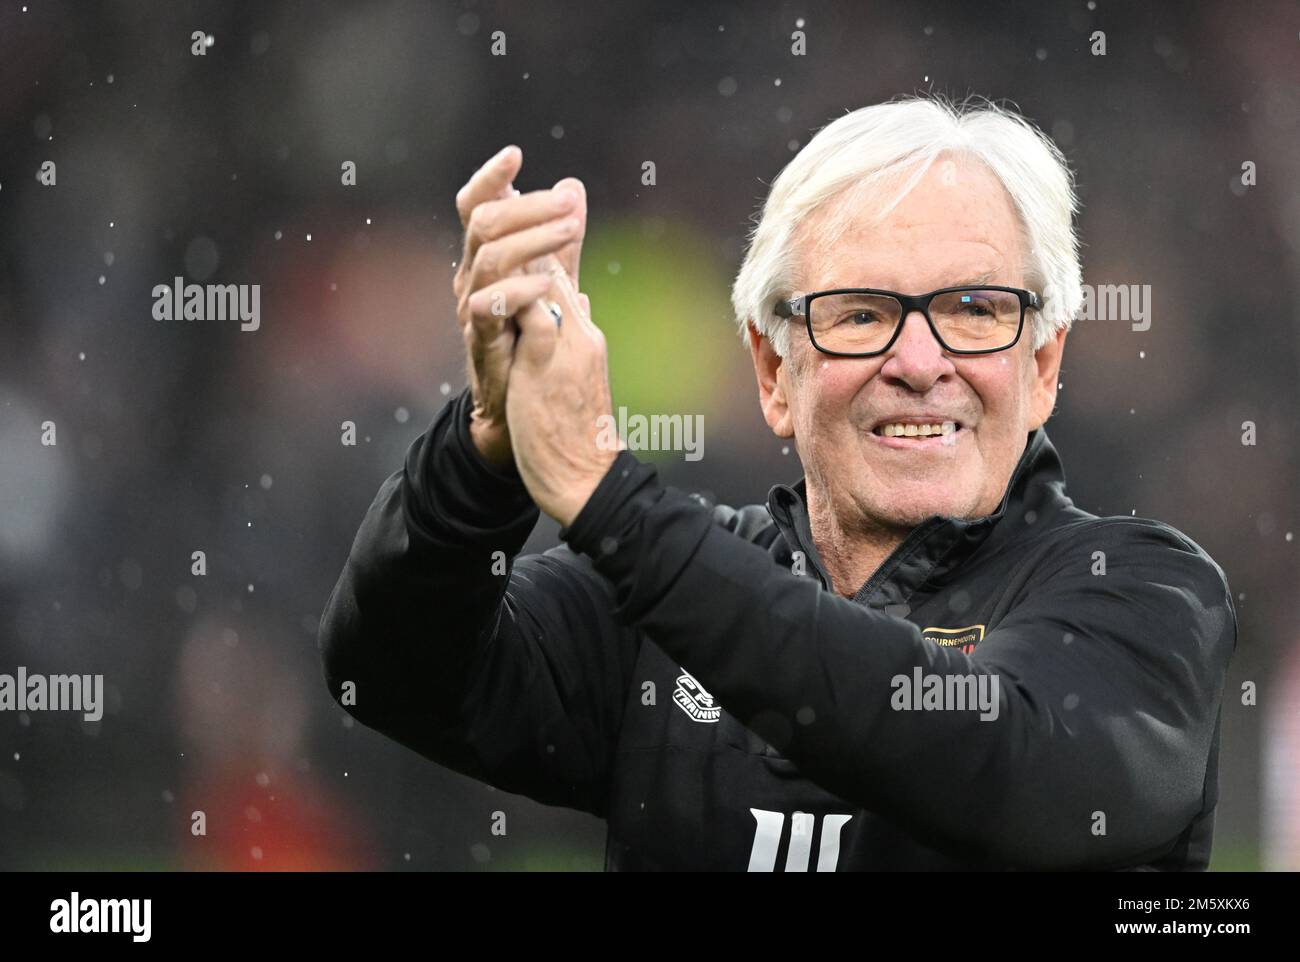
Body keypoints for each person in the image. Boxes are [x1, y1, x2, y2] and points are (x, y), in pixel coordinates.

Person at [319, 95, 1236, 870]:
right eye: (861, 313)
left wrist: (611, 502)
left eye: (974, 309)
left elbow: (996, 760)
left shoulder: (1145, 595)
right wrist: (486, 450)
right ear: (771, 372)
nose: (920, 361)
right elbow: (390, 670)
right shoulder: (649, 616)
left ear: (1042, 365)